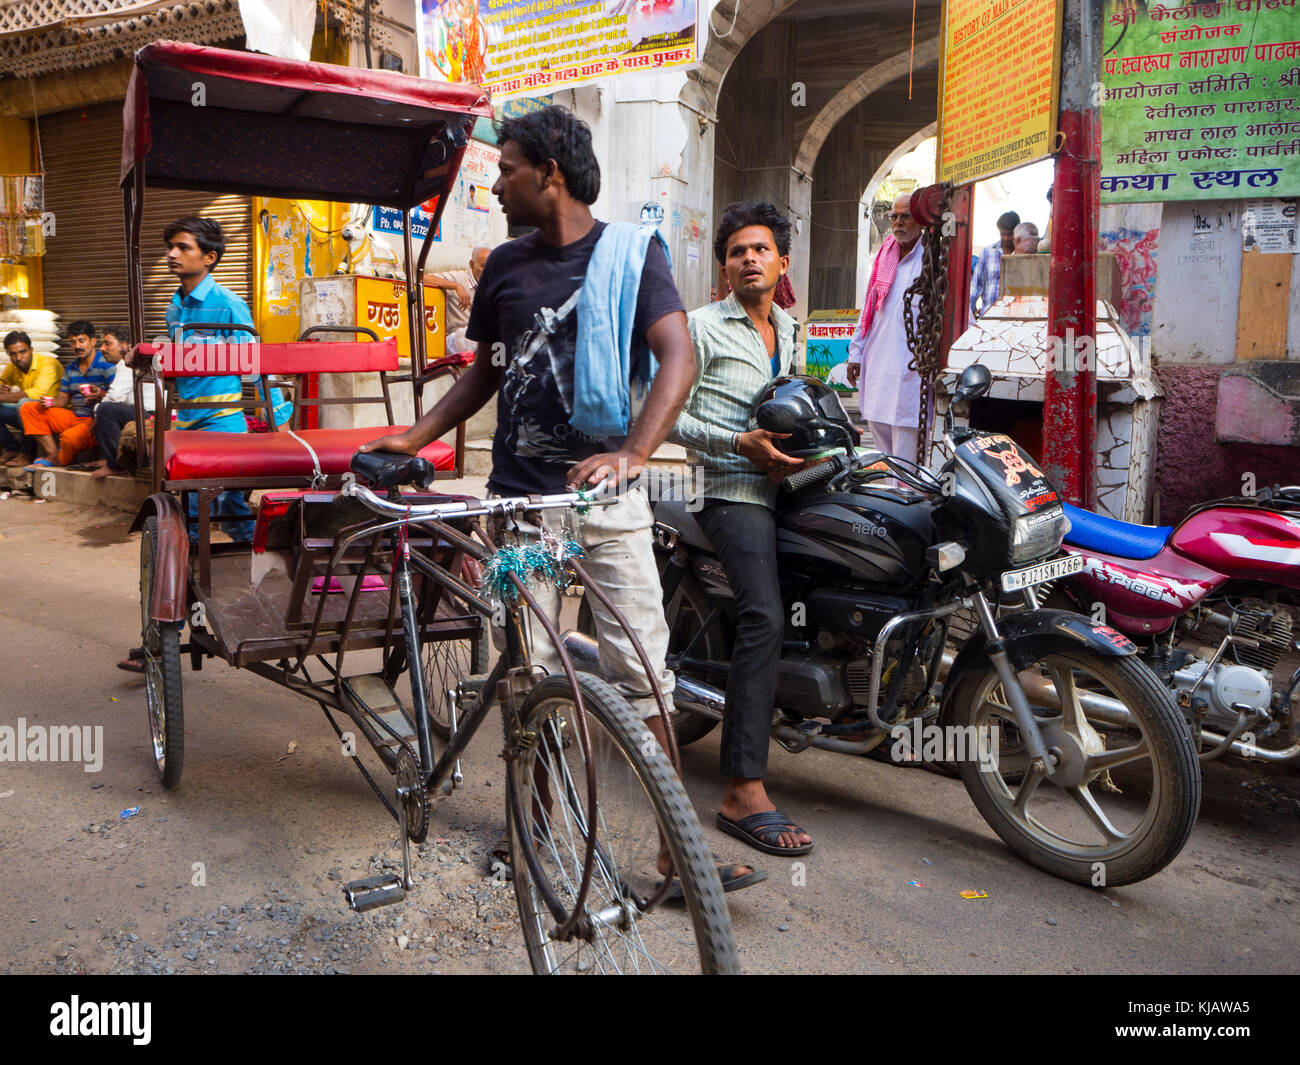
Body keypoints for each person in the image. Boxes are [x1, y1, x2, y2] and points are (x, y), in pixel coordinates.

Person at [360, 105, 764, 895]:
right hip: (519, 506)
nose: (496, 184)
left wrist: (634, 452)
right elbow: (487, 371)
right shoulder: (506, 266)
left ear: (549, 173)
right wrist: (415, 436)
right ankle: (531, 831)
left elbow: (677, 355)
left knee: (644, 674)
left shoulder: (634, 252)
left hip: (611, 504)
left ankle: (673, 856)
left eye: (506, 169)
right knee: (531, 676)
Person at [669, 201, 813, 856]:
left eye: (760, 250)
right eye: (737, 252)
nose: (749, 259)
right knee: (764, 616)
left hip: (793, 485)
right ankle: (742, 789)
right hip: (729, 490)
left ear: (782, 263)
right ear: (724, 268)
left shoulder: (792, 329)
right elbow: (662, 412)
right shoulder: (699, 328)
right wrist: (737, 444)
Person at [846, 193, 928, 463]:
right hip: (879, 366)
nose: (898, 222)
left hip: (911, 372)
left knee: (906, 453)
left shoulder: (930, 256)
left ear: (921, 220)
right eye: (894, 216)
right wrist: (855, 353)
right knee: (883, 450)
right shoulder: (886, 253)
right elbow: (869, 307)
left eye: (906, 217)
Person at [20, 319, 114, 468]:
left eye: (81, 341)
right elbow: (63, 398)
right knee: (28, 408)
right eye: (73, 342)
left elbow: (115, 397)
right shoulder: (70, 368)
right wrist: (50, 401)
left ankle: (60, 461)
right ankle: (52, 455)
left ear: (93, 341)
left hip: (94, 422)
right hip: (74, 417)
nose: (77, 346)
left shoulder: (107, 364)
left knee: (69, 439)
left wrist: (98, 394)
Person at [90, 325, 154, 480]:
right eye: (102, 344)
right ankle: (112, 459)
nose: (102, 349)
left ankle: (117, 465)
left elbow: (114, 397)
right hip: (145, 412)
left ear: (125, 345)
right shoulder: (131, 362)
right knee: (106, 409)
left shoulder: (128, 364)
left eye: (108, 343)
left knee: (105, 410)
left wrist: (97, 414)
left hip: (151, 415)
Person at [1, 330, 63, 466]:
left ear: (31, 350)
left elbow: (36, 394)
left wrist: (2, 397)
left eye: (23, 352)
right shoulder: (13, 367)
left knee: (24, 404)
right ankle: (11, 448)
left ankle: (27, 453)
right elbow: (2, 381)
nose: (18, 358)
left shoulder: (48, 364)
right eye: (13, 354)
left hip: (52, 414)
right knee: (23, 405)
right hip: (32, 414)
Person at [427, 245, 490, 349]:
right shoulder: (458, 278)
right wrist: (456, 286)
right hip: (453, 340)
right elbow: (423, 278)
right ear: (472, 264)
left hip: (474, 338)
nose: (487, 271)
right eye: (483, 266)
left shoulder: (490, 285)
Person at [970, 210, 1020, 319]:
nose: (1006, 238)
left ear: (1017, 232)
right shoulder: (987, 252)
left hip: (1015, 318)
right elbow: (976, 285)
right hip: (988, 317)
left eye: (1010, 234)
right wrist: (970, 312)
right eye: (1003, 234)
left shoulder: (1023, 255)